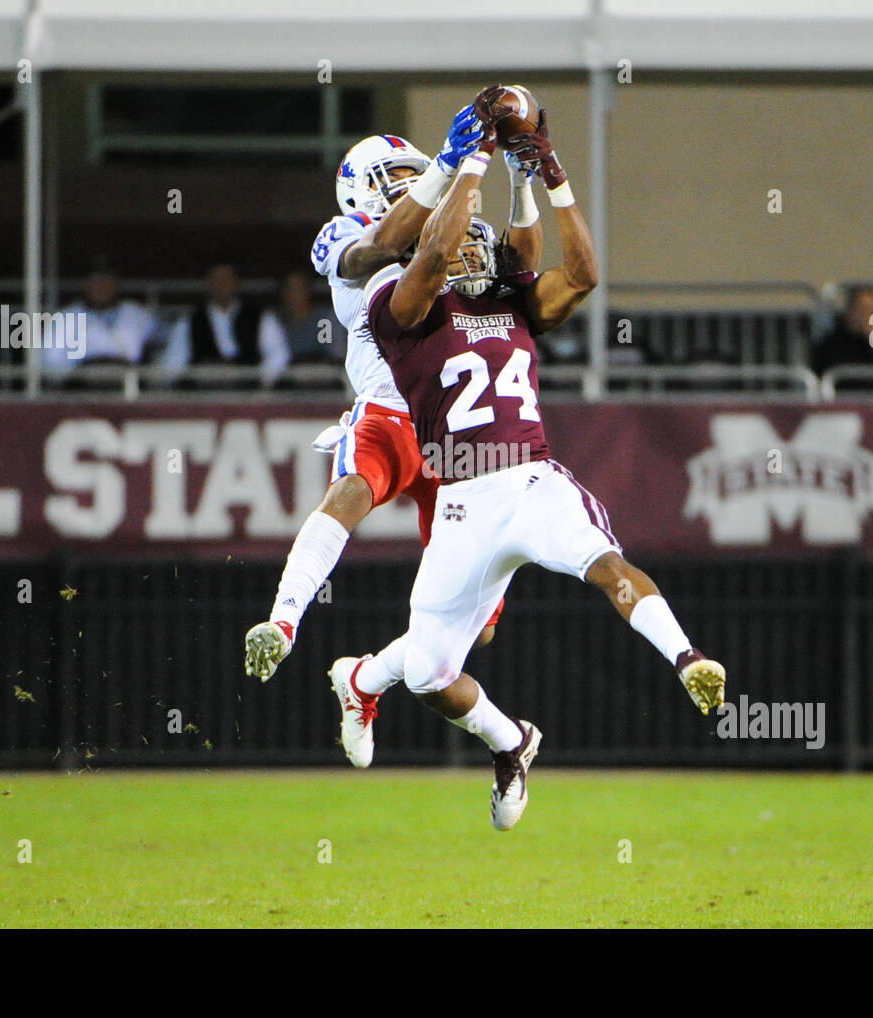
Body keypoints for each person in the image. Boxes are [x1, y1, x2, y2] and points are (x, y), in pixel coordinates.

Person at [359, 97, 726, 830]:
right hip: (460, 502)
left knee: (605, 563)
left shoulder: (512, 301)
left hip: (529, 478)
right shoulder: (396, 309)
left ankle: (688, 659)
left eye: (475, 243)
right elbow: (430, 255)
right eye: (454, 241)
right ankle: (511, 741)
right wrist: (475, 157)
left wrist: (550, 172)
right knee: (431, 674)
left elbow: (583, 274)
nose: (465, 249)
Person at [243, 99, 546, 768]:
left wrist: (524, 174)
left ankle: (365, 679)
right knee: (350, 490)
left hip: (456, 426)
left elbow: (519, 274)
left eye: (416, 171)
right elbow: (379, 248)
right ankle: (285, 619)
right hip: (386, 409)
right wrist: (448, 164)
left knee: (473, 636)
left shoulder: (454, 223)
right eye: (396, 174)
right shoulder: (344, 231)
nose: (409, 183)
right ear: (361, 187)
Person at [180, 260, 289, 388]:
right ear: (209, 283)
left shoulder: (261, 317)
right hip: (206, 393)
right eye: (216, 279)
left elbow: (278, 355)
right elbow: (174, 362)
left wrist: (261, 384)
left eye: (226, 278)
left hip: (248, 392)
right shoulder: (191, 320)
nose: (222, 284)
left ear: (236, 282)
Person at [41, 268, 162, 379]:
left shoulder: (135, 313)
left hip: (126, 376)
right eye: (97, 283)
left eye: (107, 283)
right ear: (87, 286)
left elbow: (160, 341)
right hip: (83, 378)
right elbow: (51, 359)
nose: (102, 288)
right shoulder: (68, 315)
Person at [810, 285, 873, 390]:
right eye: (863, 310)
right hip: (845, 400)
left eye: (872, 311)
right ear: (850, 311)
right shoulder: (833, 341)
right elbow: (822, 374)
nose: (867, 316)